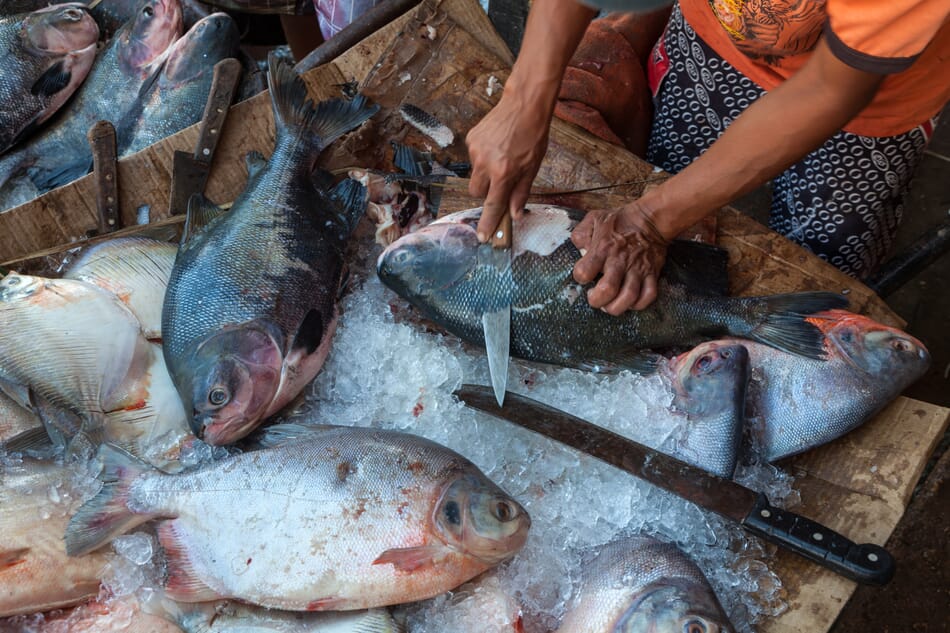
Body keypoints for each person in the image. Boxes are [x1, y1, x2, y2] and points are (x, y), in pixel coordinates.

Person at [466, 0, 950, 314]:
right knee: (672, 181)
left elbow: (830, 90)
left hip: (869, 106)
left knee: (822, 274)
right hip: (711, 42)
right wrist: (524, 98)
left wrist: (651, 221)